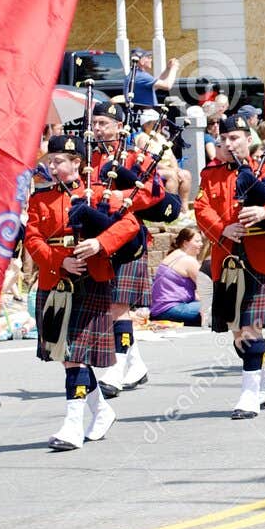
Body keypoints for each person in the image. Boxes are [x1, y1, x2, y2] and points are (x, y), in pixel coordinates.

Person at [24, 135, 140, 450]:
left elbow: (130, 226)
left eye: (59, 160)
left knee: (74, 355)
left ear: (77, 163)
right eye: (50, 160)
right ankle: (101, 410)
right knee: (66, 355)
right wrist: (61, 261)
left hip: (91, 280)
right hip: (56, 280)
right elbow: (32, 240)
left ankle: (72, 425)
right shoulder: (40, 198)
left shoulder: (98, 193)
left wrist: (99, 243)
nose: (52, 166)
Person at [195, 116, 265, 418]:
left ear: (248, 139)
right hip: (228, 257)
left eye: (235, 138)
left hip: (262, 255)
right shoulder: (211, 174)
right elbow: (201, 207)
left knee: (250, 326)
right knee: (236, 328)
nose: (229, 144)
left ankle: (249, 392)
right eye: (224, 139)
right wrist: (221, 229)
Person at [89, 103, 168, 397]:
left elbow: (153, 193)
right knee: (110, 305)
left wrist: (114, 197)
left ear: (120, 126)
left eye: (104, 123)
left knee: (117, 306)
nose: (98, 128)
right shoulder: (89, 157)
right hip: (97, 240)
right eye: (95, 122)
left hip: (128, 239)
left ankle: (116, 368)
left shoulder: (138, 157)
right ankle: (135, 365)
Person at [151, 228, 205, 325]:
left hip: (159, 309)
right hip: (170, 309)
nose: (201, 244)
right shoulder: (188, 260)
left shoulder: (173, 255)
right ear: (185, 243)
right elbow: (208, 288)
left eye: (201, 241)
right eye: (197, 241)